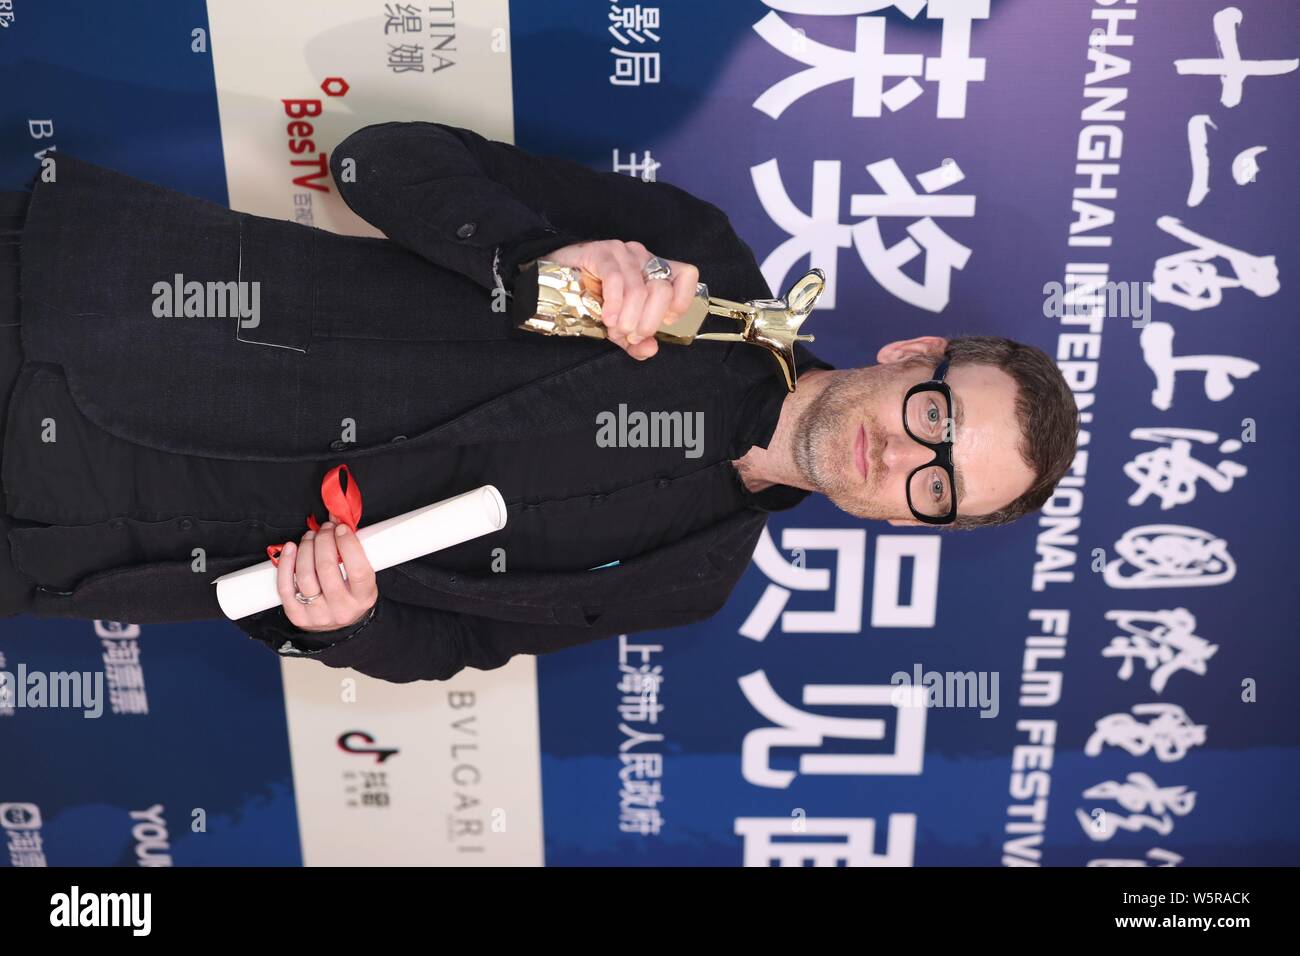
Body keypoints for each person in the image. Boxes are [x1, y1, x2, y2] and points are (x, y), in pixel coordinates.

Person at [0, 121, 1078, 682]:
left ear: (907, 523)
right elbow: (376, 161)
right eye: (936, 416)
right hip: (76, 330)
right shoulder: (692, 270)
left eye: (937, 488)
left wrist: (348, 624)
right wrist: (540, 257)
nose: (901, 456)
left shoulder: (690, 581)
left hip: (79, 543)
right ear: (914, 351)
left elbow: (454, 641)